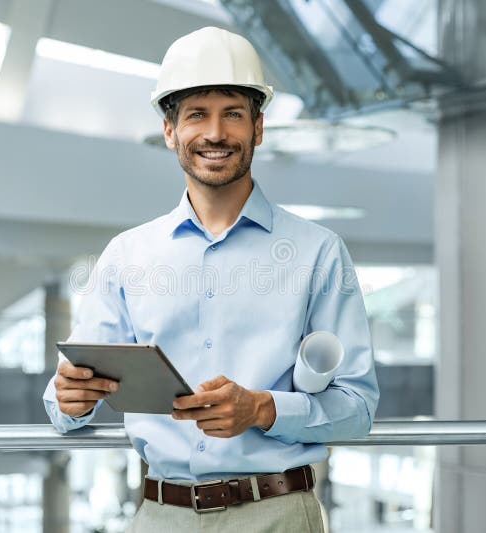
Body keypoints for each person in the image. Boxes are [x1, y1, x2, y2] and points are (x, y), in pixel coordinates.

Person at [42, 26, 379, 532]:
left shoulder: (319, 252)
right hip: (160, 516)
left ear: (258, 128)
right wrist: (67, 401)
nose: (216, 133)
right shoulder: (126, 256)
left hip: (279, 515)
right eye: (197, 114)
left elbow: (358, 408)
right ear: (170, 130)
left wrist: (263, 409)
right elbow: (68, 398)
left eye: (234, 115)